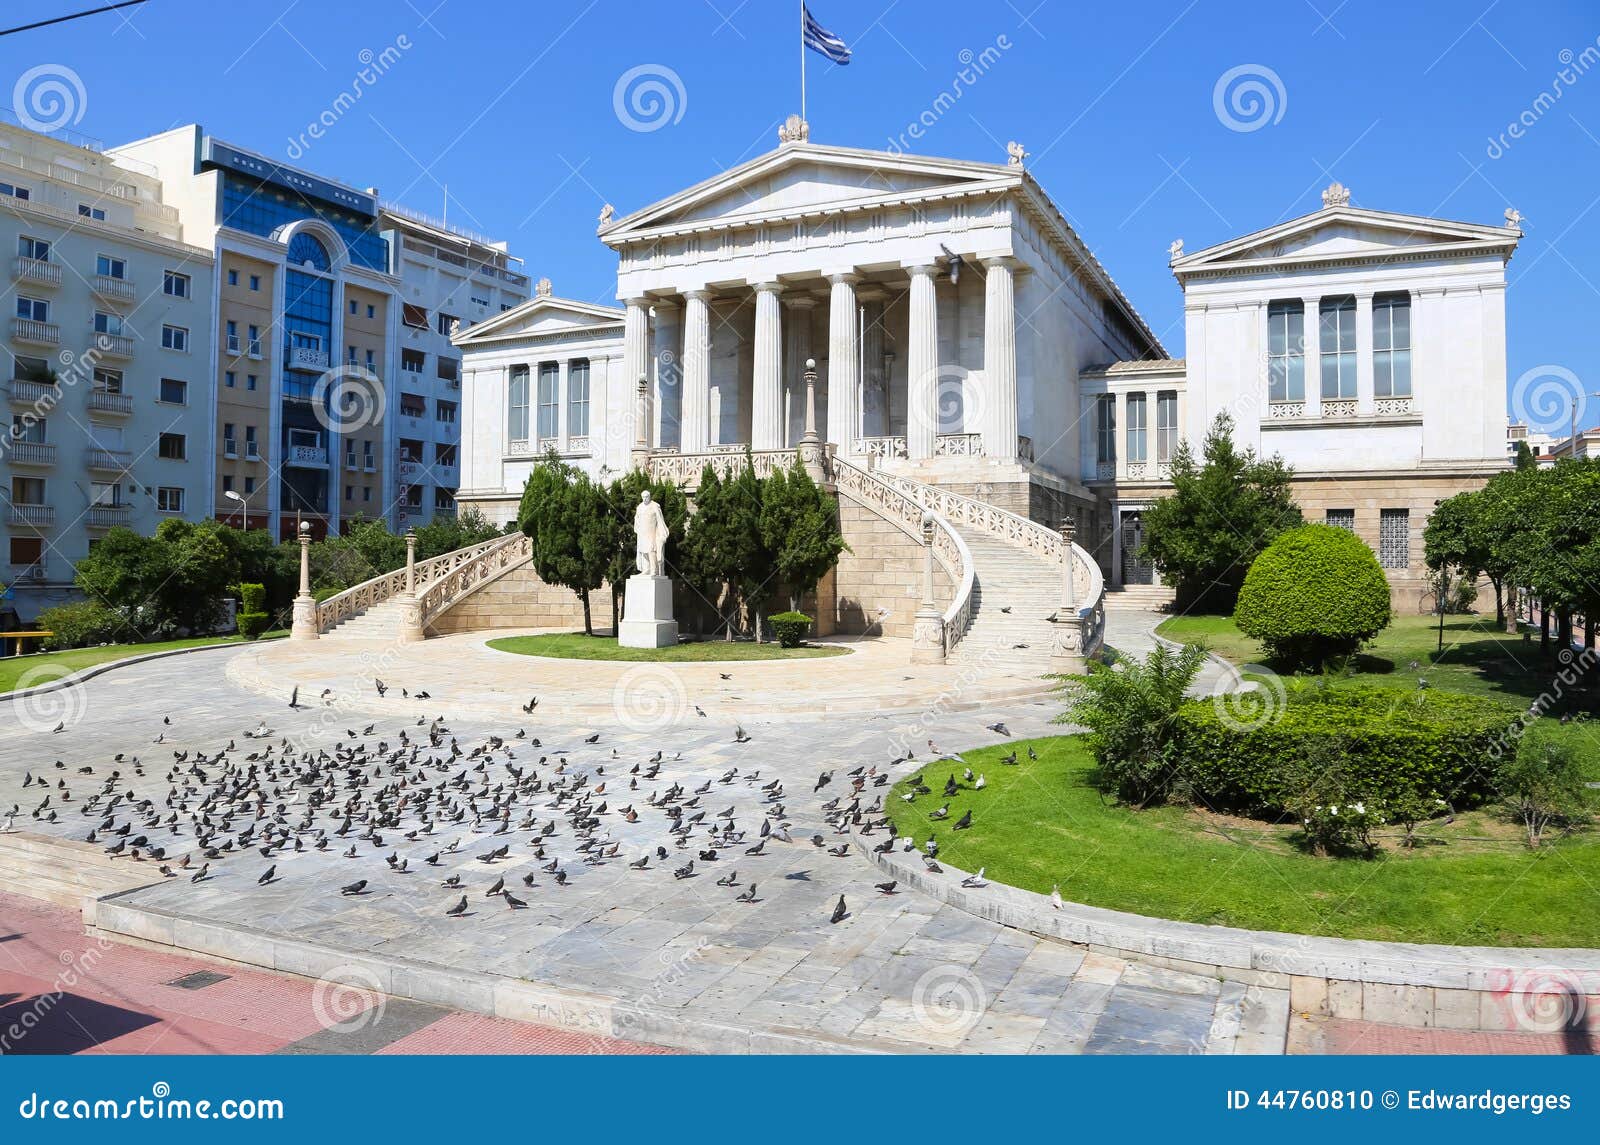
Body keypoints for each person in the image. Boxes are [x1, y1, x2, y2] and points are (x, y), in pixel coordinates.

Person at [634, 490, 669, 576]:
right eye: (643, 497)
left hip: (652, 532)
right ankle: (646, 569)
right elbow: (637, 519)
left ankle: (654, 570)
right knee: (643, 550)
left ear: (650, 497)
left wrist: (662, 532)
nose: (645, 499)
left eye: (647, 497)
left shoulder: (655, 506)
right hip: (642, 532)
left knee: (651, 550)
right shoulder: (640, 507)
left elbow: (660, 519)